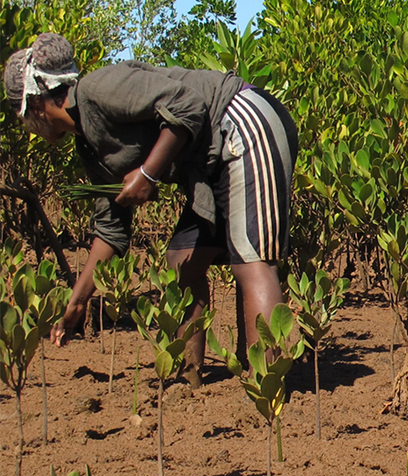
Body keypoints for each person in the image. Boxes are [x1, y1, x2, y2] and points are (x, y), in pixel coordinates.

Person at [4, 33, 298, 385]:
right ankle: (188, 380)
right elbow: (111, 231)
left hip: (244, 121)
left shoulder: (100, 87)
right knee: (181, 260)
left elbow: (187, 105)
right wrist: (78, 300)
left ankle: (268, 389)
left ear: (34, 105)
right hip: (209, 162)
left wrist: (147, 173)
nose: (28, 128)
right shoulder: (90, 146)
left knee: (252, 260)